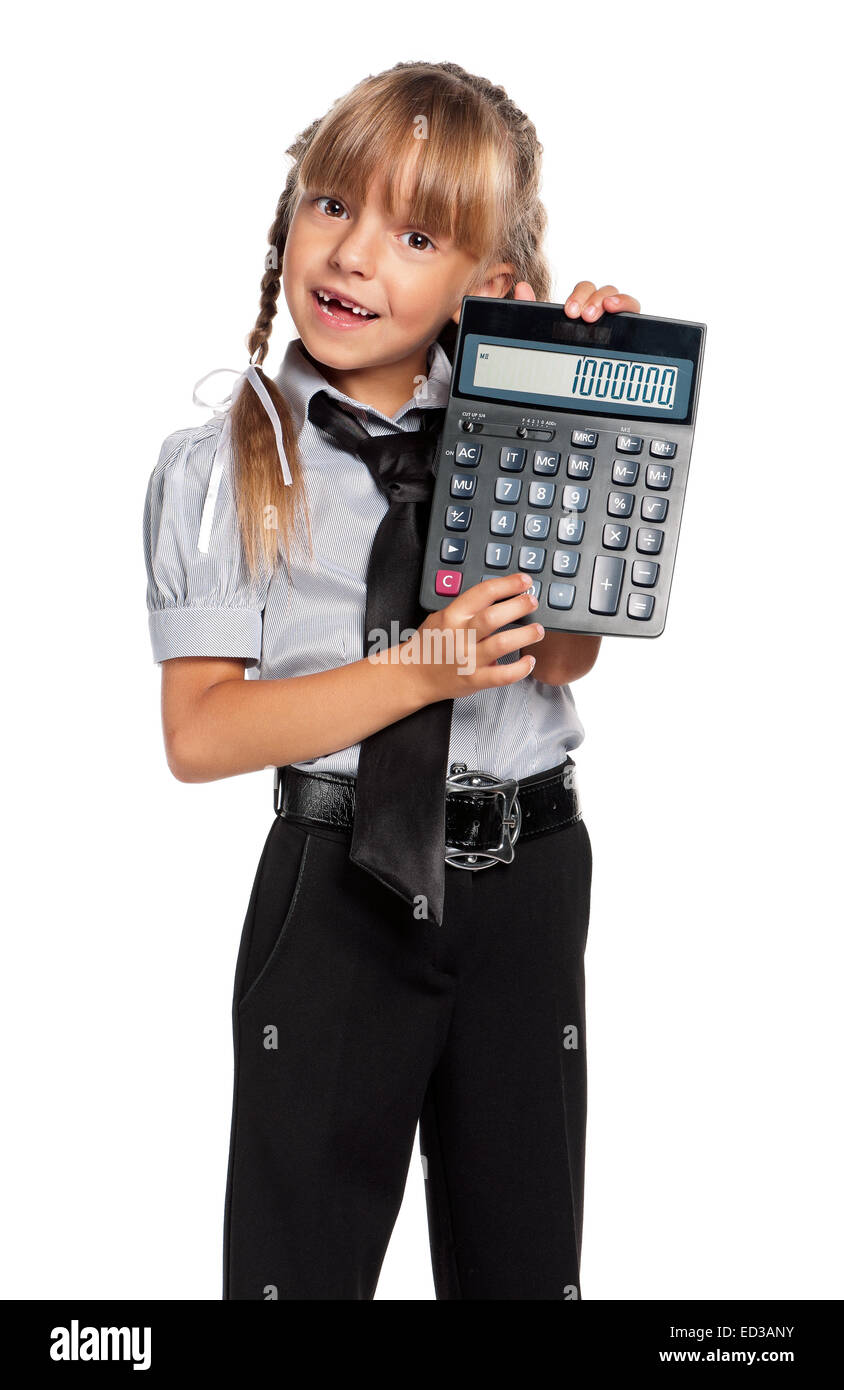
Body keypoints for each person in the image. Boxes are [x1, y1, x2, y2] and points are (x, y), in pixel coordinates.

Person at [143, 59, 640, 1301]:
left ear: (485, 279)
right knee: (297, 1268)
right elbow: (200, 734)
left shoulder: (506, 427)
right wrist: (417, 669)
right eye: (332, 207)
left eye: (413, 233)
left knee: (525, 1264)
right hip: (338, 892)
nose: (355, 255)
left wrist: (574, 419)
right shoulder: (224, 462)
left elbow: (565, 652)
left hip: (527, 877)